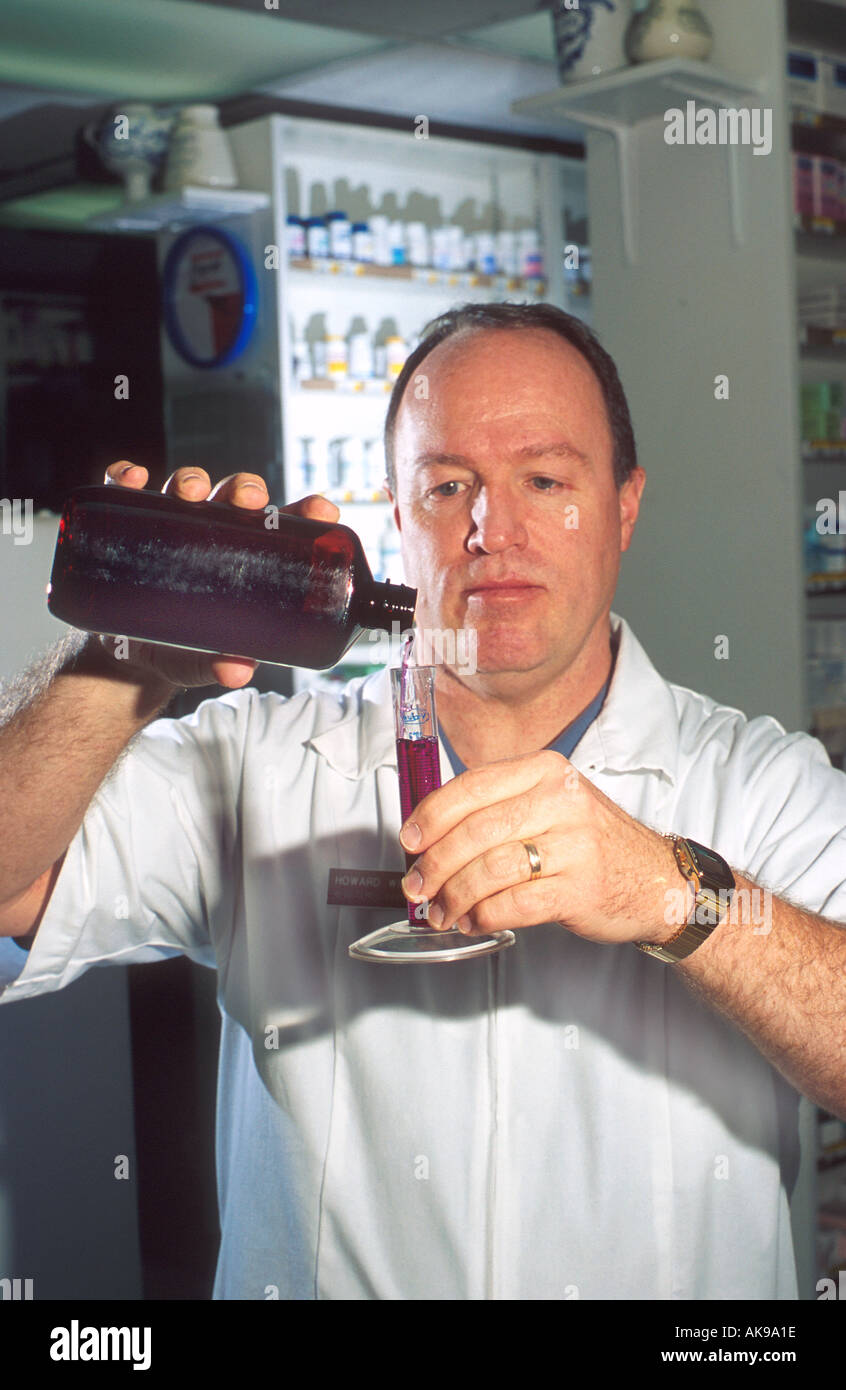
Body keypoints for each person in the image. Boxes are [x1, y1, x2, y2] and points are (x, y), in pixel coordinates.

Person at [1, 301, 845, 1302]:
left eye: (544, 478)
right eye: (449, 486)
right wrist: (119, 666)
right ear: (396, 517)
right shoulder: (263, 764)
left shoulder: (761, 783)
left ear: (624, 505)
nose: (494, 529)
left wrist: (669, 892)